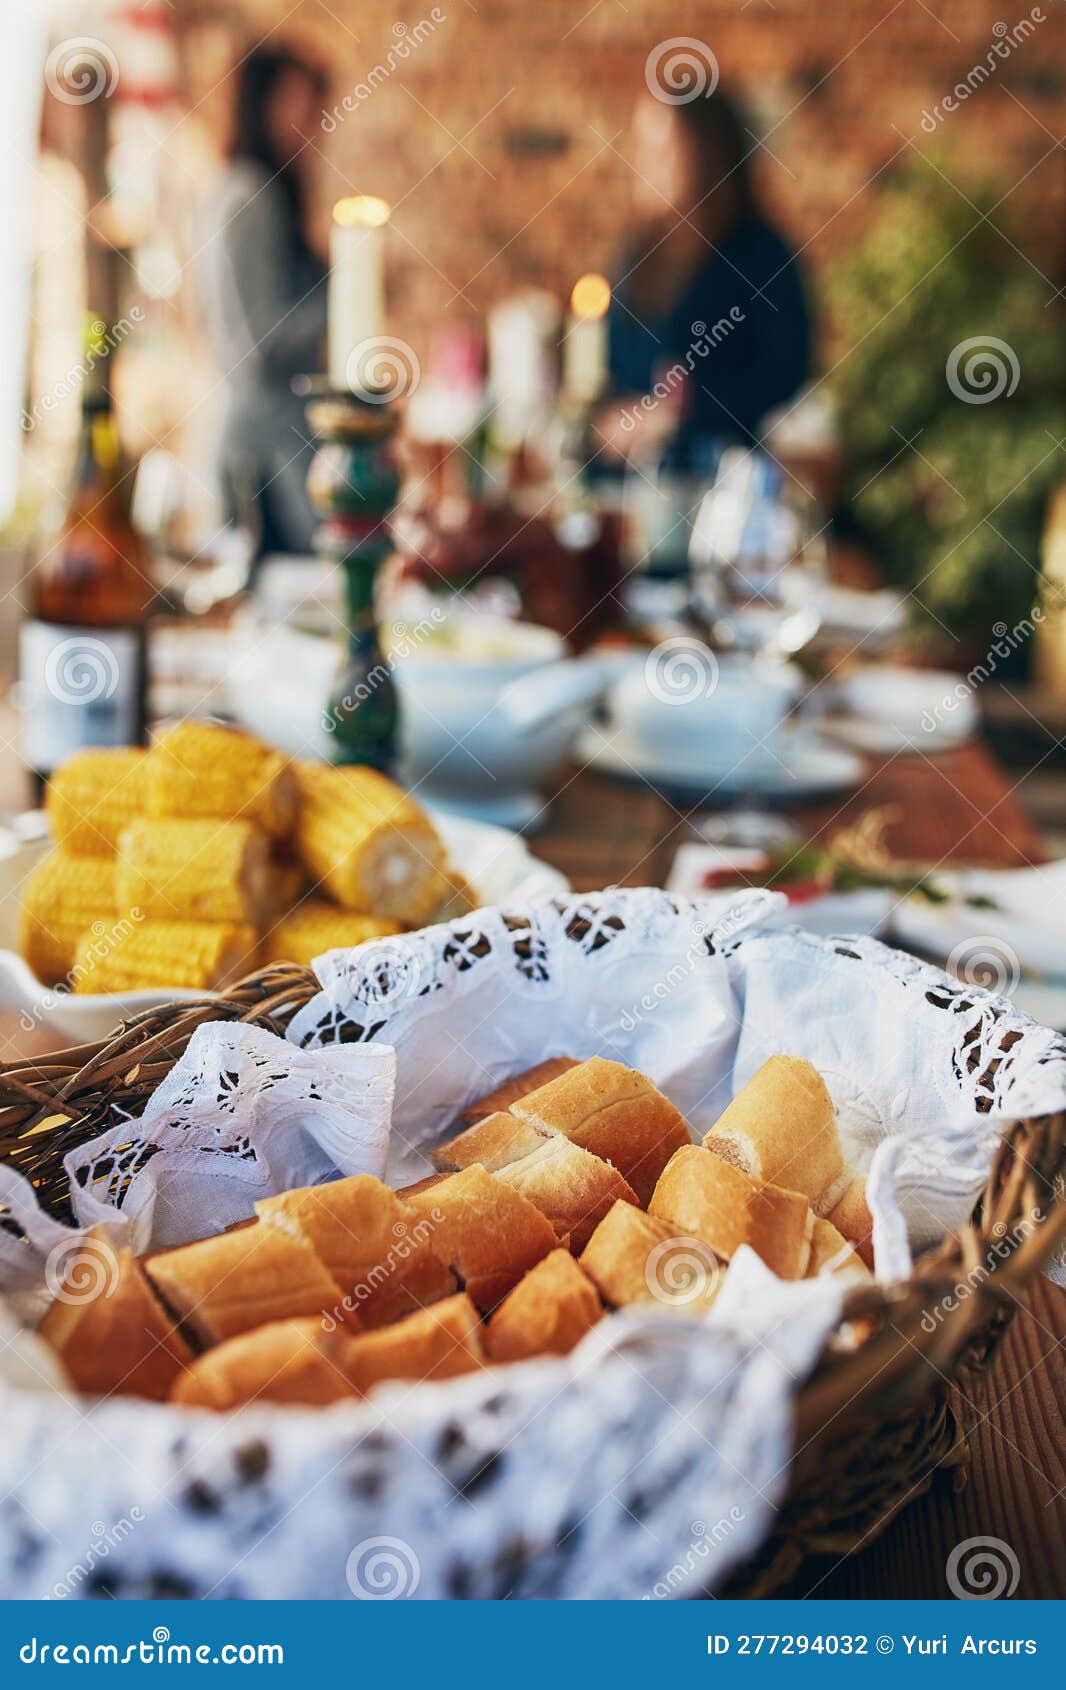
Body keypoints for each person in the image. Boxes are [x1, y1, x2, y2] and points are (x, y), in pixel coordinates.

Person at [596, 86, 812, 472]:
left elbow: (784, 372)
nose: (646, 163)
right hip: (637, 478)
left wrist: (688, 412)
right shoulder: (637, 256)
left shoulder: (760, 255)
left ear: (707, 153)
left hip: (731, 475)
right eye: (644, 148)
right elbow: (616, 371)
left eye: (665, 148)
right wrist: (623, 420)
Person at [197, 46, 329, 557]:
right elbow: (261, 345)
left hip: (264, 454)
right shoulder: (251, 197)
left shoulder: (236, 191)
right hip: (270, 463)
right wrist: (340, 302)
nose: (315, 125)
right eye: (301, 105)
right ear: (264, 104)